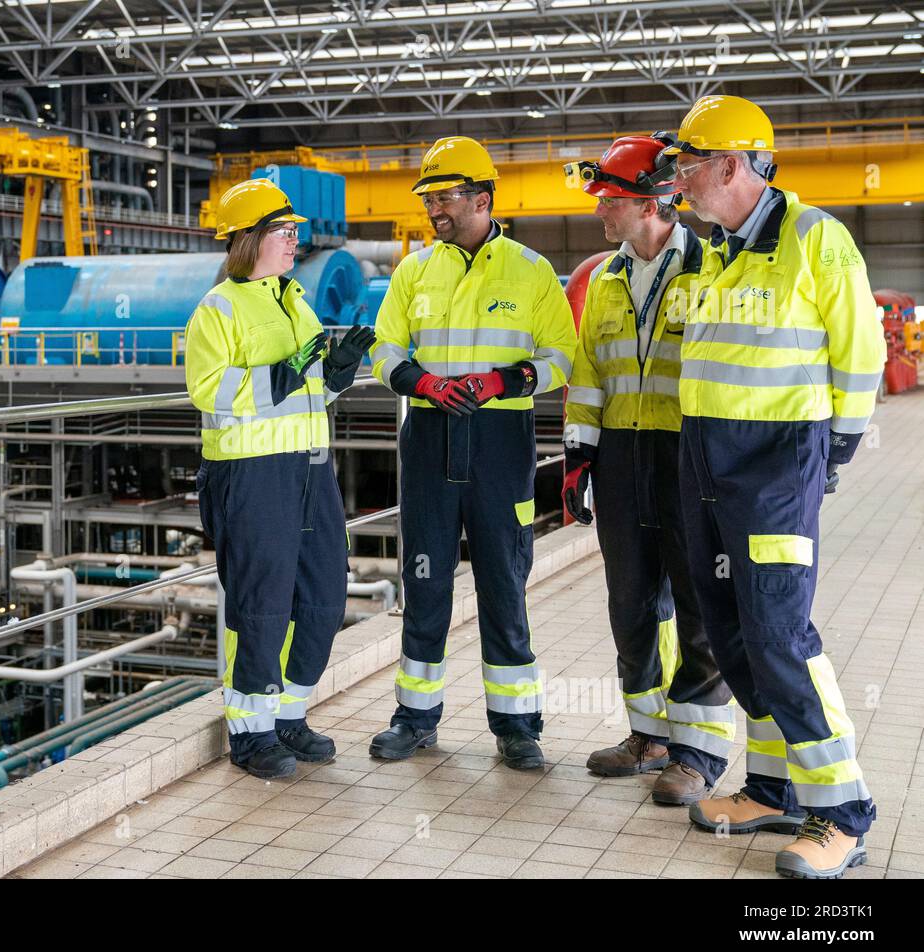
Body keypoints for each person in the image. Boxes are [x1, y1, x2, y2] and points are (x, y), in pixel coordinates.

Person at [663, 95, 885, 878]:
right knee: (730, 628)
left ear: (730, 164)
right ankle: (772, 786)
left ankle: (842, 811)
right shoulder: (718, 246)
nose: (680, 178)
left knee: (779, 630)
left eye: (689, 163)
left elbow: (861, 349)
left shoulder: (816, 239)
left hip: (776, 459)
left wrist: (836, 449)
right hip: (706, 456)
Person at [368, 136, 576, 768]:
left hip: (500, 444)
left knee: (503, 581)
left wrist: (499, 381)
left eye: (447, 196)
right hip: (429, 438)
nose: (435, 208)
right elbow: (384, 350)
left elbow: (561, 358)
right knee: (425, 580)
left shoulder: (531, 270)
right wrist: (423, 383)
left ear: (483, 199)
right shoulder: (412, 272)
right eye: (430, 197)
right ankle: (415, 717)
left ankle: (517, 727)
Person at [562, 135, 735, 805]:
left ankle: (697, 754)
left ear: (652, 203)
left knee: (697, 603)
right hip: (622, 458)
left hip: (687, 457)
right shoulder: (603, 277)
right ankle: (648, 735)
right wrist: (579, 457)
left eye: (610, 202)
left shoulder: (712, 269)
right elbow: (588, 372)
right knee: (630, 602)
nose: (600, 214)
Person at [185, 177, 374, 779]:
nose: (296, 241)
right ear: (250, 240)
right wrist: (283, 374)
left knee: (321, 597)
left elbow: (306, 389)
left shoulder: (294, 298)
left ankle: (289, 716)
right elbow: (208, 393)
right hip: (250, 475)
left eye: (294, 232)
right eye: (284, 232)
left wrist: (335, 374)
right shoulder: (219, 308)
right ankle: (252, 731)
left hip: (309, 470)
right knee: (260, 605)